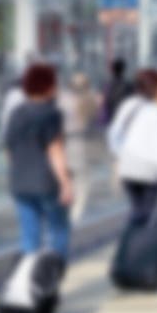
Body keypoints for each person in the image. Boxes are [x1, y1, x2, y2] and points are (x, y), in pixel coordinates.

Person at [5, 63, 73, 260]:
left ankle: (30, 275)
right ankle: (53, 273)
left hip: (19, 182)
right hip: (46, 183)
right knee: (58, 230)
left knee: (29, 238)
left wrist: (18, 171)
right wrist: (66, 183)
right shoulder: (51, 113)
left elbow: (9, 148)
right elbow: (55, 151)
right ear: (48, 86)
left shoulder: (16, 112)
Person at [107, 68, 157, 230]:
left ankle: (130, 238)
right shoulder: (155, 111)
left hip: (128, 168)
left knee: (137, 210)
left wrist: (122, 154)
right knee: (151, 214)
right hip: (149, 170)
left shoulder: (127, 105)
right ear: (155, 88)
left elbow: (113, 133)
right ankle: (147, 242)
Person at [60, 72, 100, 223]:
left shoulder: (63, 99)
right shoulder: (89, 100)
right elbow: (94, 118)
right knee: (82, 181)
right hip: (81, 143)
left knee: (67, 178)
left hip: (64, 144)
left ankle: (66, 210)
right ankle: (76, 214)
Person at [102, 58, 134, 125]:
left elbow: (106, 102)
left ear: (113, 70)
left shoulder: (108, 85)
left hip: (111, 118)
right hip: (125, 118)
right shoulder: (128, 86)